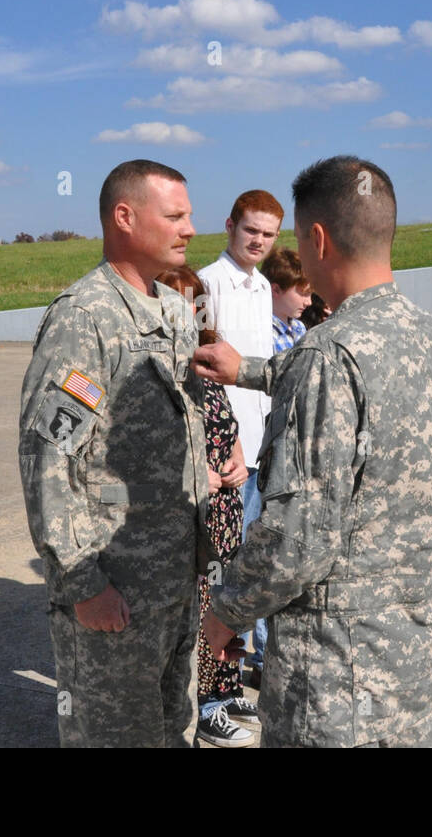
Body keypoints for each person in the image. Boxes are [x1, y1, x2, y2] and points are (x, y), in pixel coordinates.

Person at [193, 155, 432, 748]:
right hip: (416, 661)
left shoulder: (328, 355)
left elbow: (298, 539)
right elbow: (356, 390)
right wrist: (245, 370)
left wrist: (225, 613)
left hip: (337, 683)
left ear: (317, 239)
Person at [18, 159, 210, 748]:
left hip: (175, 575)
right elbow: (50, 460)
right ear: (125, 218)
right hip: (117, 583)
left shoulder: (175, 312)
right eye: (174, 216)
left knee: (170, 725)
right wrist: (81, 583)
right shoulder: (87, 320)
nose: (189, 229)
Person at [156, 265, 258, 746]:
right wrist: (203, 476)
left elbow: (226, 424)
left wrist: (237, 461)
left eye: (194, 300)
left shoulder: (206, 359)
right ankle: (205, 711)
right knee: (198, 614)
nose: (189, 310)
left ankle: (227, 689)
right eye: (177, 301)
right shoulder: (154, 366)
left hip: (226, 509)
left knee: (227, 604)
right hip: (189, 514)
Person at [197, 190, 283, 684]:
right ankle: (219, 684)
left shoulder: (265, 287)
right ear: (230, 225)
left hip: (262, 445)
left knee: (259, 563)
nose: (259, 241)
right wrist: (222, 445)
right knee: (226, 570)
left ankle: (255, 663)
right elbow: (206, 367)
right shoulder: (208, 283)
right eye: (251, 230)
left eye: (269, 234)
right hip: (229, 453)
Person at [262, 246, 311, 353]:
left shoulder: (299, 327)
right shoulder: (263, 335)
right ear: (275, 290)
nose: (309, 302)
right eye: (303, 293)